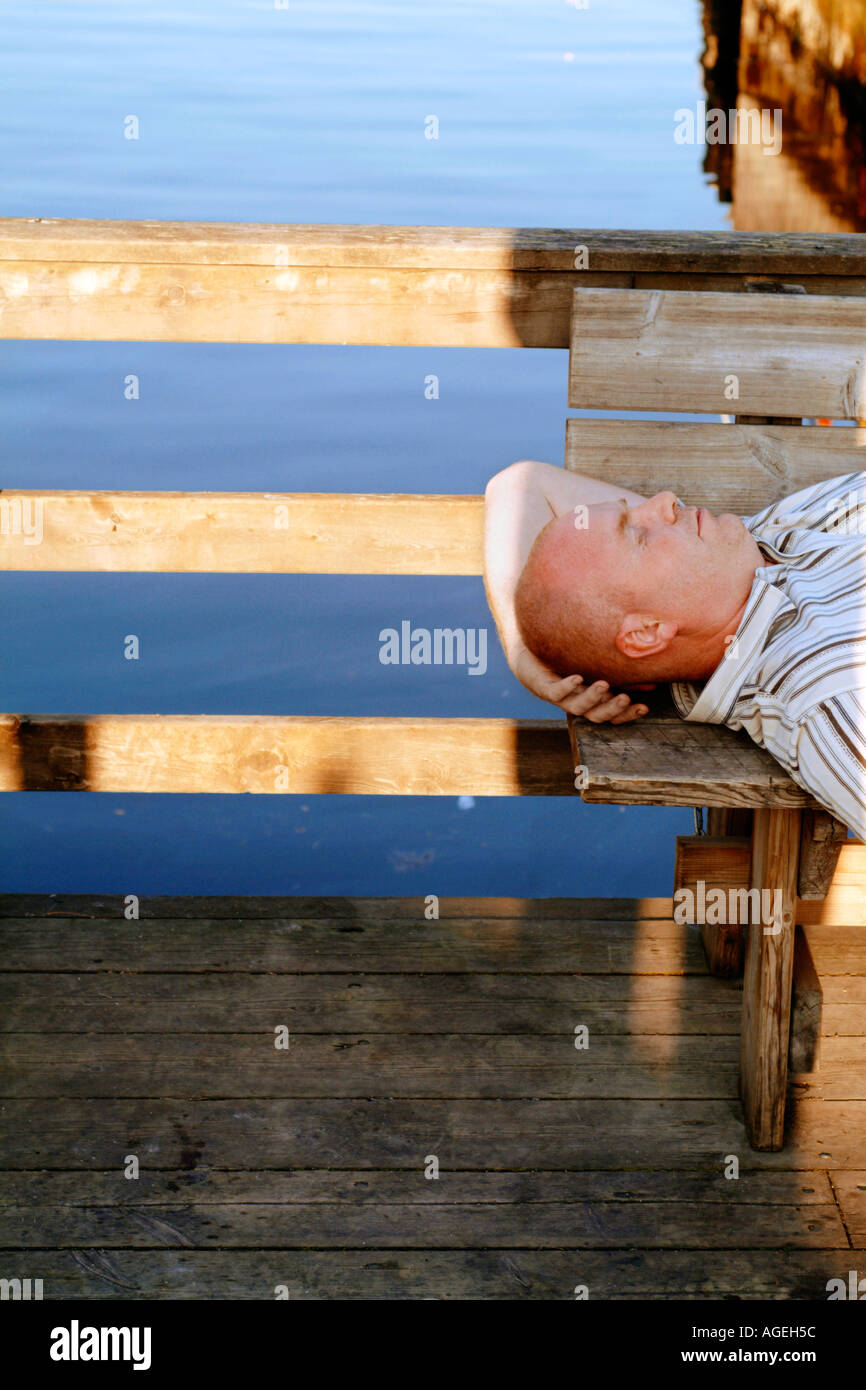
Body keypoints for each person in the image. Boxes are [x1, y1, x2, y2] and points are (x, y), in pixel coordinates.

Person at [483, 458, 866, 838]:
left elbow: (521, 484)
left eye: (632, 512)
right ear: (648, 632)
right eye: (638, 535)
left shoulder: (730, 557)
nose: (666, 501)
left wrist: (523, 656)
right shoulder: (827, 701)